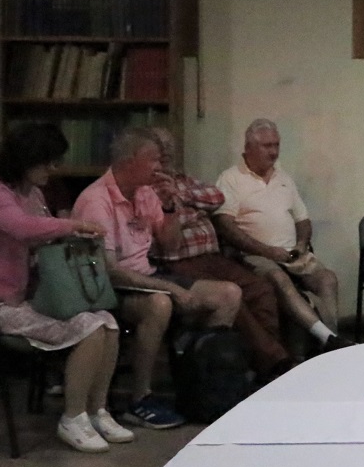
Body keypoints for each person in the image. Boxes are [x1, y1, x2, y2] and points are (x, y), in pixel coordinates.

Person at [0, 123, 126, 453]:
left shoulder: (34, 194)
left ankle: (98, 410)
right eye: (49, 162)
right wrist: (74, 224)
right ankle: (73, 416)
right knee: (92, 327)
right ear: (27, 160)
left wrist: (72, 236)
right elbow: (24, 229)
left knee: (109, 323)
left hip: (28, 297)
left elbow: (42, 233)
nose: (54, 169)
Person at [73, 127, 242, 430]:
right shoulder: (96, 200)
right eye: (153, 160)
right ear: (130, 160)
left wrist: (169, 205)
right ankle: (140, 399)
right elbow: (109, 270)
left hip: (147, 276)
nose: (159, 168)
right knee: (160, 304)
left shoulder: (145, 192)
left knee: (228, 294)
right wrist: (170, 287)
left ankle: (202, 386)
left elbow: (170, 244)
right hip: (110, 289)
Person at [146, 126, 292, 382]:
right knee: (233, 298)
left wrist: (183, 197)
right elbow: (166, 225)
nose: (167, 151)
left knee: (261, 289)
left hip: (213, 257)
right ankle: (275, 362)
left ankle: (255, 364)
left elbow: (216, 197)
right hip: (179, 263)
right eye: (160, 145)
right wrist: (191, 208)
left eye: (170, 145)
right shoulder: (146, 186)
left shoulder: (182, 180)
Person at [213, 119, 352, 354]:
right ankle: (327, 340)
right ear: (249, 147)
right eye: (267, 146)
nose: (274, 152)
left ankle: (330, 344)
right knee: (279, 279)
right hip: (254, 255)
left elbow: (303, 220)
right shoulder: (231, 178)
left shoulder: (283, 178)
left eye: (276, 145)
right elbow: (225, 226)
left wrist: (301, 243)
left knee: (327, 278)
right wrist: (267, 251)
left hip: (291, 252)